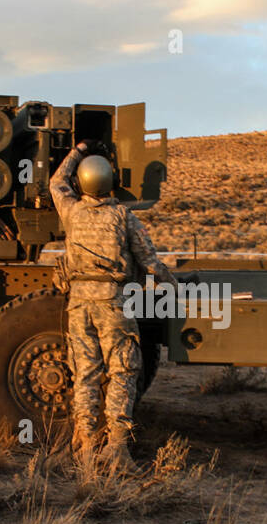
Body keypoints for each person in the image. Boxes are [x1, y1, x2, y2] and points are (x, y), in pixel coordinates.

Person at [49, 141, 176, 469]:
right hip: (114, 304)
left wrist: (76, 150)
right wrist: (174, 287)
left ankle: (87, 444)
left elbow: (56, 182)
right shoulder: (124, 217)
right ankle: (117, 447)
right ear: (110, 181)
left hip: (79, 305)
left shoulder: (71, 211)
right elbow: (150, 262)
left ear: (82, 182)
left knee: (86, 374)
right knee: (122, 371)